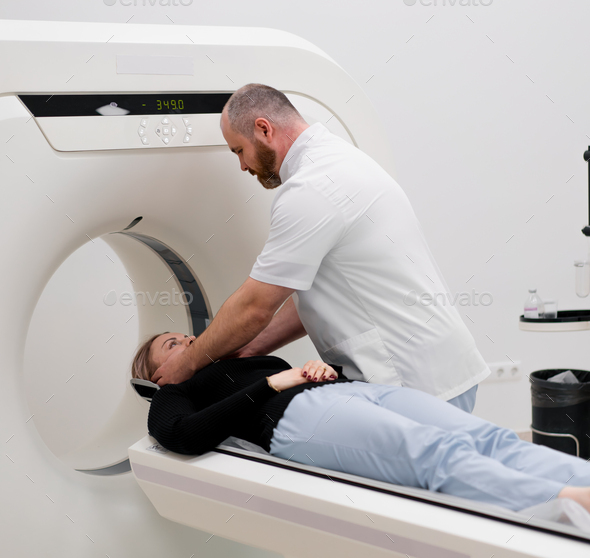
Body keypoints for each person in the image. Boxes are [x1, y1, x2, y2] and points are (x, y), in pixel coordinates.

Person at [151, 85, 490, 414]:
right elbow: (312, 301)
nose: (242, 165)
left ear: (264, 129)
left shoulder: (310, 189)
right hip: (437, 366)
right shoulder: (340, 160)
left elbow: (255, 307)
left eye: (239, 150)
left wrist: (191, 361)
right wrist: (244, 350)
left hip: (414, 380)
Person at [134, 332, 590, 515]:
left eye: (188, 334)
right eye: (173, 344)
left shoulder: (236, 356)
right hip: (296, 420)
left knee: (485, 436)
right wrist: (272, 384)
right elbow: (181, 436)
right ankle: (567, 502)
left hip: (344, 391)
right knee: (433, 454)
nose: (190, 340)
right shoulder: (177, 392)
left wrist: (318, 370)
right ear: (157, 375)